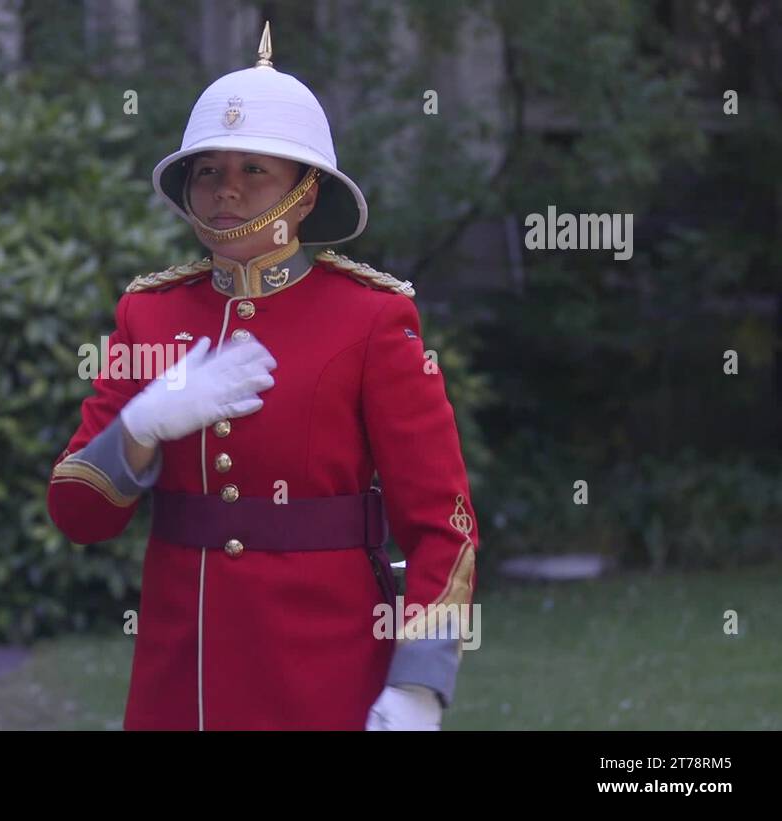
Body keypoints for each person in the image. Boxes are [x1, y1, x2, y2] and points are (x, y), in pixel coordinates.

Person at [47, 22, 479, 730]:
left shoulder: (370, 318)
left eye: (255, 170)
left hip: (326, 670)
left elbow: (444, 525)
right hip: (179, 676)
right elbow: (78, 513)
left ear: (305, 194)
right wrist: (143, 426)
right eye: (210, 170)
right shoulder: (149, 315)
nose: (226, 190)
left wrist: (419, 684)